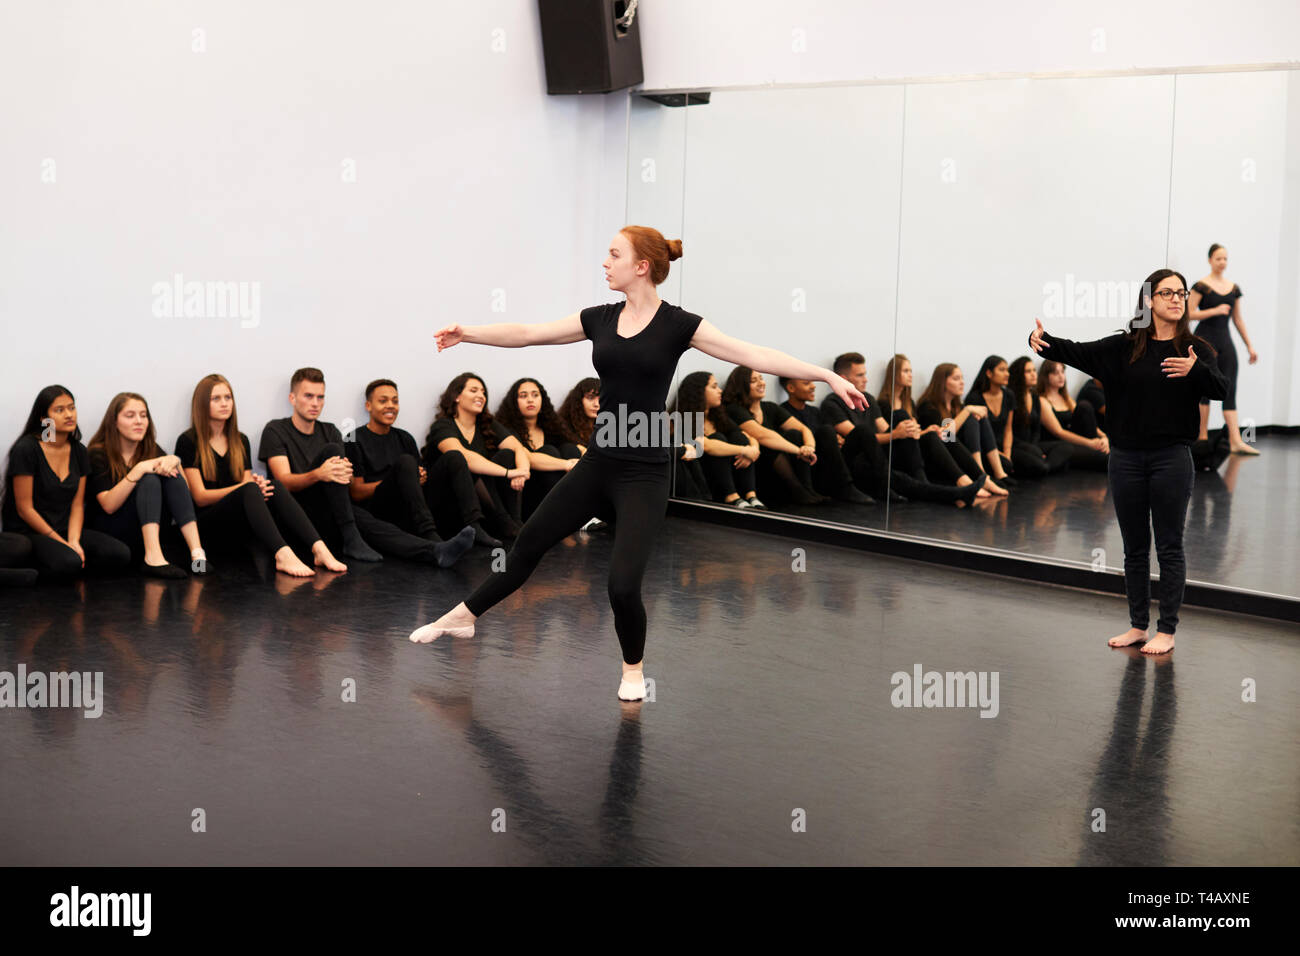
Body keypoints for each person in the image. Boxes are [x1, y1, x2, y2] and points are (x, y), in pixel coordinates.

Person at [408, 225, 870, 702]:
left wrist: (826, 375)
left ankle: (633, 669)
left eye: (613, 255)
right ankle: (464, 616)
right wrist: (469, 333)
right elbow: (528, 333)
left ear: (642, 266)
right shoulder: (600, 318)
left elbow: (754, 355)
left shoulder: (679, 325)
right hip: (599, 462)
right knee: (527, 546)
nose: (605, 263)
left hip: (645, 472)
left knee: (623, 585)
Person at [1029, 268, 1228, 654]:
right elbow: (1076, 351)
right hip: (1125, 459)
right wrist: (1042, 341)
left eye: (1181, 293)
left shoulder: (1195, 349)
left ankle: (1166, 631)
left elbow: (1221, 388)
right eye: (1167, 292)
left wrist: (1196, 371)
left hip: (1172, 458)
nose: (1176, 299)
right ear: (1149, 300)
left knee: (1169, 546)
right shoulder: (1123, 348)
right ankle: (1138, 625)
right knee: (1134, 546)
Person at [261, 369, 469, 567]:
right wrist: (318, 474)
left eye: (320, 397)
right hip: (296, 512)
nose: (315, 403)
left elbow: (344, 483)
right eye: (308, 396)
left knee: (374, 525)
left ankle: (435, 551)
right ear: (292, 399)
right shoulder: (276, 429)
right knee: (332, 451)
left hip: (332, 512)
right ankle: (351, 535)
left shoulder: (331, 430)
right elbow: (283, 481)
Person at [177, 373, 345, 577]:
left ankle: (319, 549)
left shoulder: (240, 440)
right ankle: (283, 555)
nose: (224, 404)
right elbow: (199, 497)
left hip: (239, 526)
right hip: (207, 527)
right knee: (250, 489)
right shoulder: (189, 441)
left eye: (228, 398)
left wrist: (257, 487)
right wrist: (246, 488)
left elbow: (246, 485)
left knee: (275, 486)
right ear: (202, 404)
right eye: (216, 398)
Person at [2, 385, 131, 578]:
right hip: (30, 531)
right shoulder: (27, 449)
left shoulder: (79, 451)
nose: (69, 414)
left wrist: (73, 540)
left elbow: (77, 505)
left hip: (65, 529)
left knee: (119, 554)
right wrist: (61, 544)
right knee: (69, 562)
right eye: (59, 410)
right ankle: (23, 573)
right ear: (44, 419)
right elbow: (25, 509)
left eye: (72, 408)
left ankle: (56, 566)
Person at [345, 378, 476, 560]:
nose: (390, 406)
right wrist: (401, 478)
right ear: (369, 405)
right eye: (383, 401)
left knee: (454, 457)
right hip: (378, 509)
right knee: (406, 462)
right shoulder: (354, 439)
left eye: (395, 401)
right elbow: (356, 493)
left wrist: (418, 477)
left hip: (409, 508)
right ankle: (429, 533)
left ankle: (476, 525)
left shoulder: (404, 438)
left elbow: (419, 479)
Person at [86, 391, 207, 578]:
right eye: (130, 416)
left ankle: (197, 554)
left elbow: (184, 494)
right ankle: (153, 558)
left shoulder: (151, 449)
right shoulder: (98, 454)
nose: (139, 421)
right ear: (114, 422)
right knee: (149, 479)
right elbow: (108, 506)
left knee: (171, 475)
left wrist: (175, 461)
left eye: (143, 416)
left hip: (146, 528)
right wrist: (139, 469)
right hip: (111, 528)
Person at [421, 372, 531, 544]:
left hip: (480, 501)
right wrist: (509, 473)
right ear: (457, 396)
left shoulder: (487, 424)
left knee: (508, 455)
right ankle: (487, 524)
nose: (481, 395)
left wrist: (522, 472)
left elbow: (518, 448)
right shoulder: (442, 426)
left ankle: (514, 522)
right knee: (462, 459)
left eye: (483, 392)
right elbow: (465, 456)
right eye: (473, 390)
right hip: (446, 500)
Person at [1188, 243, 1261, 455]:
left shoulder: (1233, 288)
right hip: (1205, 339)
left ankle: (1235, 440)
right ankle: (1201, 437)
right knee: (1204, 389)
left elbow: (1238, 319)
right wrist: (1214, 310)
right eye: (1219, 258)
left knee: (1229, 388)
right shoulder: (1201, 285)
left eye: (1225, 259)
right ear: (1210, 260)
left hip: (1225, 339)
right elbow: (1189, 313)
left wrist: (1250, 346)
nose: (1223, 262)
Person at [492, 377, 583, 520]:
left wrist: (584, 454)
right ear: (514, 402)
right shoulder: (507, 430)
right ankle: (564, 516)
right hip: (526, 495)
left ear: (542, 400)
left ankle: (576, 514)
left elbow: (575, 446)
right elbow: (530, 458)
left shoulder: (551, 428)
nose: (530, 400)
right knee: (549, 451)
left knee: (570, 449)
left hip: (553, 493)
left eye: (535, 395)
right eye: (523, 396)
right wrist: (567, 464)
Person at [668, 371, 763, 508]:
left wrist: (753, 450)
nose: (720, 391)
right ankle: (731, 497)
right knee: (718, 439)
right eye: (714, 387)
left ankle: (751, 496)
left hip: (728, 475)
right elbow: (707, 446)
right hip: (705, 479)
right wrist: (745, 450)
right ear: (699, 392)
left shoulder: (717, 416)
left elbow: (748, 436)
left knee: (737, 437)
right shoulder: (683, 418)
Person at [916, 363, 1015, 489]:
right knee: (971, 416)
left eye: (962, 378)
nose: (962, 382)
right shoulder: (929, 406)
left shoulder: (955, 406)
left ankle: (999, 473)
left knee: (1007, 464)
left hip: (964, 453)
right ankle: (981, 476)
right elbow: (946, 436)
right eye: (956, 379)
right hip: (944, 460)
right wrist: (967, 410)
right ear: (942, 382)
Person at [778, 378, 874, 503]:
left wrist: (837, 439)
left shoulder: (815, 412)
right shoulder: (783, 413)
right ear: (791, 388)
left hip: (826, 466)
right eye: (807, 383)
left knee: (858, 431)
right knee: (823, 431)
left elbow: (828, 436)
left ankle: (855, 485)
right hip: (807, 467)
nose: (813, 386)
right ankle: (842, 487)